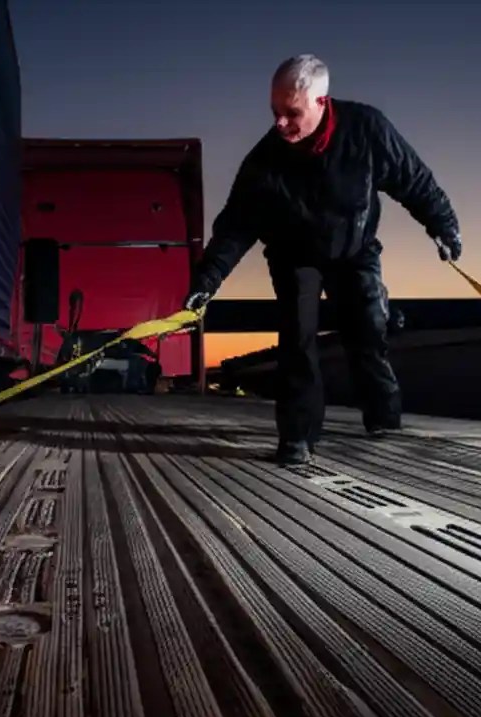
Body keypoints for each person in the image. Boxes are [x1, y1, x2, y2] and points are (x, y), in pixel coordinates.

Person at [185, 54, 463, 465]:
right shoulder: (264, 161)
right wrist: (206, 280)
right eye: (274, 112)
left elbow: (413, 179)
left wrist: (443, 225)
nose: (279, 123)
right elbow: (236, 226)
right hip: (294, 255)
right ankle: (297, 436)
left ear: (321, 101)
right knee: (298, 338)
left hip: (355, 248)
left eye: (290, 113)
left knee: (367, 328)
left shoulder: (367, 129)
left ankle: (383, 417)